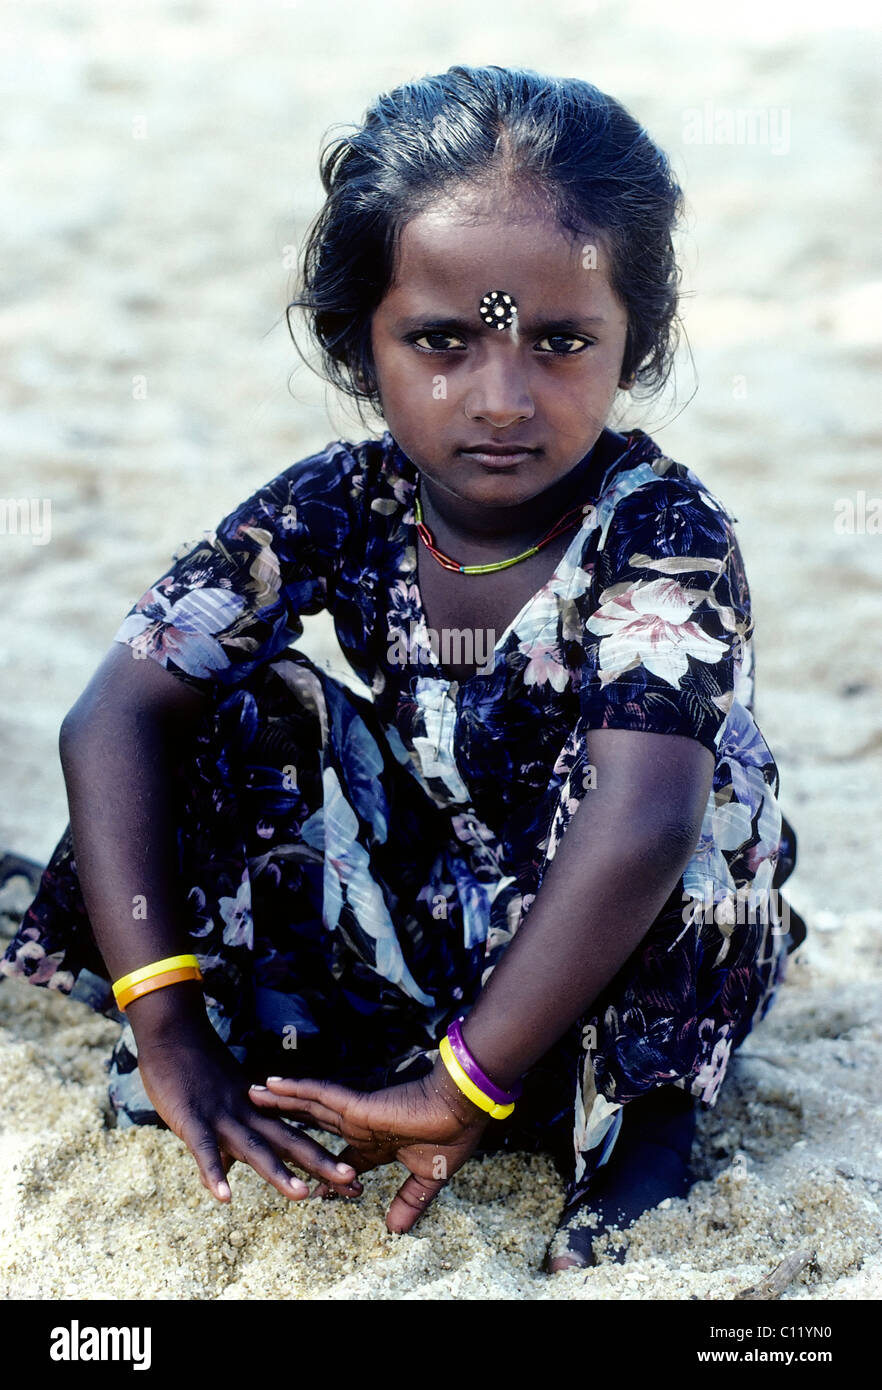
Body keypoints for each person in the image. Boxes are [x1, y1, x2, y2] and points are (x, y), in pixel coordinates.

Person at [1, 64, 804, 1274]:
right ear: (359, 341)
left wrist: (460, 1090)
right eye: (441, 341)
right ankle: (250, 1052)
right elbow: (114, 712)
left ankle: (640, 1132)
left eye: (561, 342)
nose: (501, 397)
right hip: (420, 931)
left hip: (609, 965)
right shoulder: (345, 501)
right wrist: (164, 1023)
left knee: (709, 801)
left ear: (632, 343)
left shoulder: (660, 533)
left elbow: (641, 819)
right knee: (242, 706)